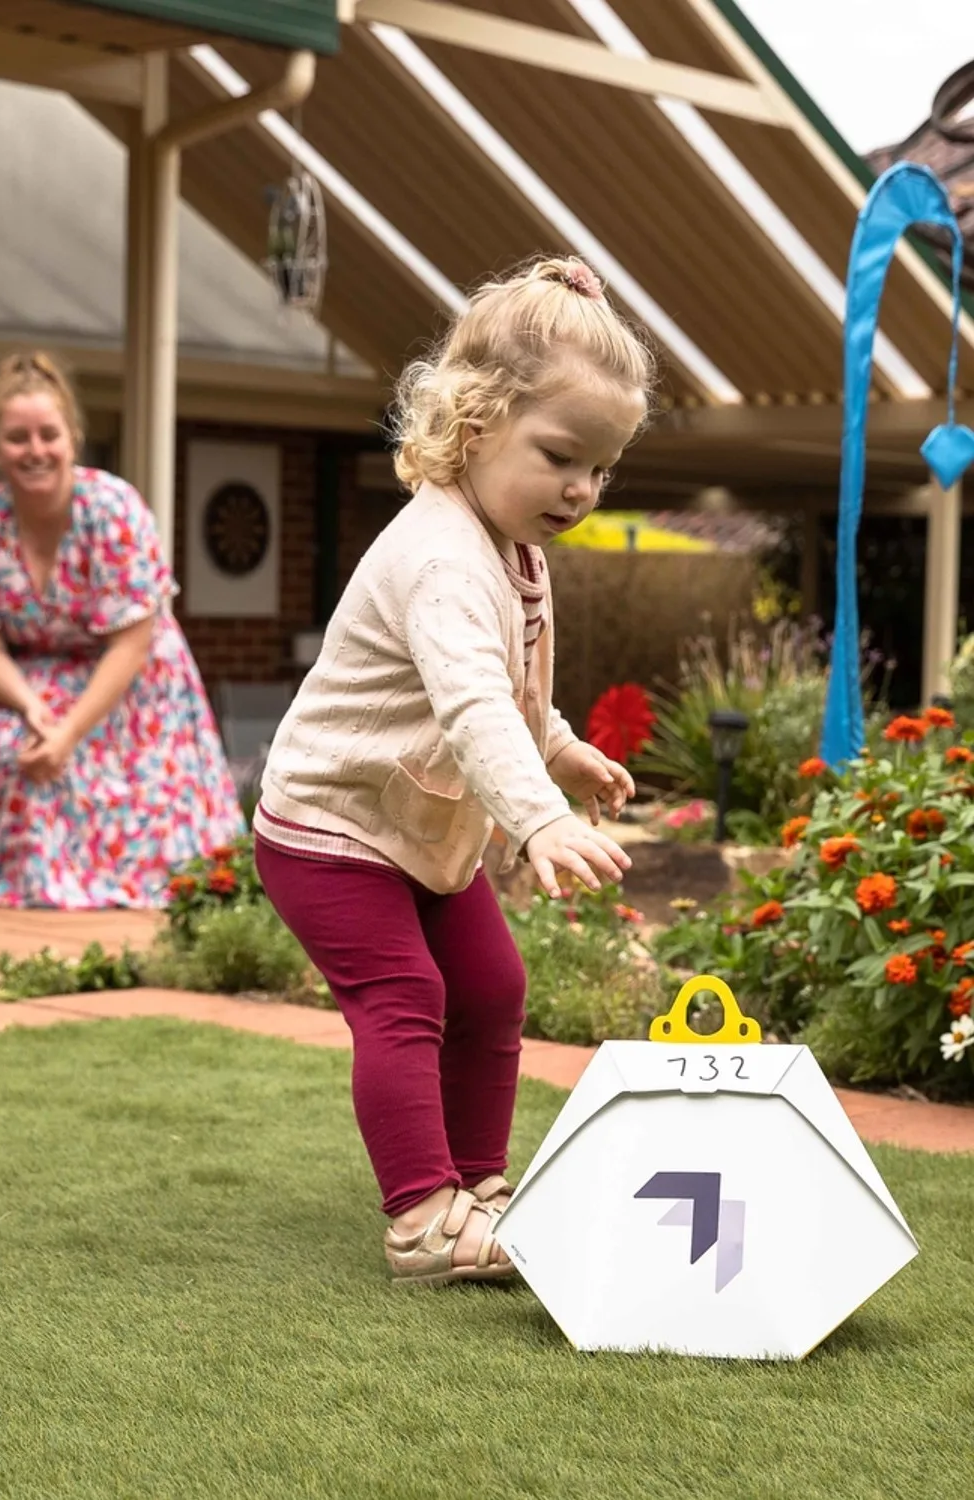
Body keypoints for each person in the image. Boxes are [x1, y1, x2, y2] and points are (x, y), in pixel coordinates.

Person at [254, 256, 653, 1286]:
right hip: (330, 828)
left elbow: (508, 686)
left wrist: (559, 750)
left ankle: (479, 1190)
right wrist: (537, 820)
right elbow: (471, 706)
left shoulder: (510, 542)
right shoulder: (440, 555)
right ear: (474, 426)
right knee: (406, 995)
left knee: (492, 985)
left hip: (415, 824)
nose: (580, 488)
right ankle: (422, 1219)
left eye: (600, 470)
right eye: (562, 456)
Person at [0, 352, 245, 908]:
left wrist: (69, 732)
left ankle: (157, 887)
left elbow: (133, 640)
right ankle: (39, 884)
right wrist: (33, 710)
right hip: (37, 677)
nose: (36, 450)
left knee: (117, 761)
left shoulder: (112, 507)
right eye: (17, 437)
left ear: (72, 437)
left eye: (48, 434)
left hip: (134, 675)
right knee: (11, 738)